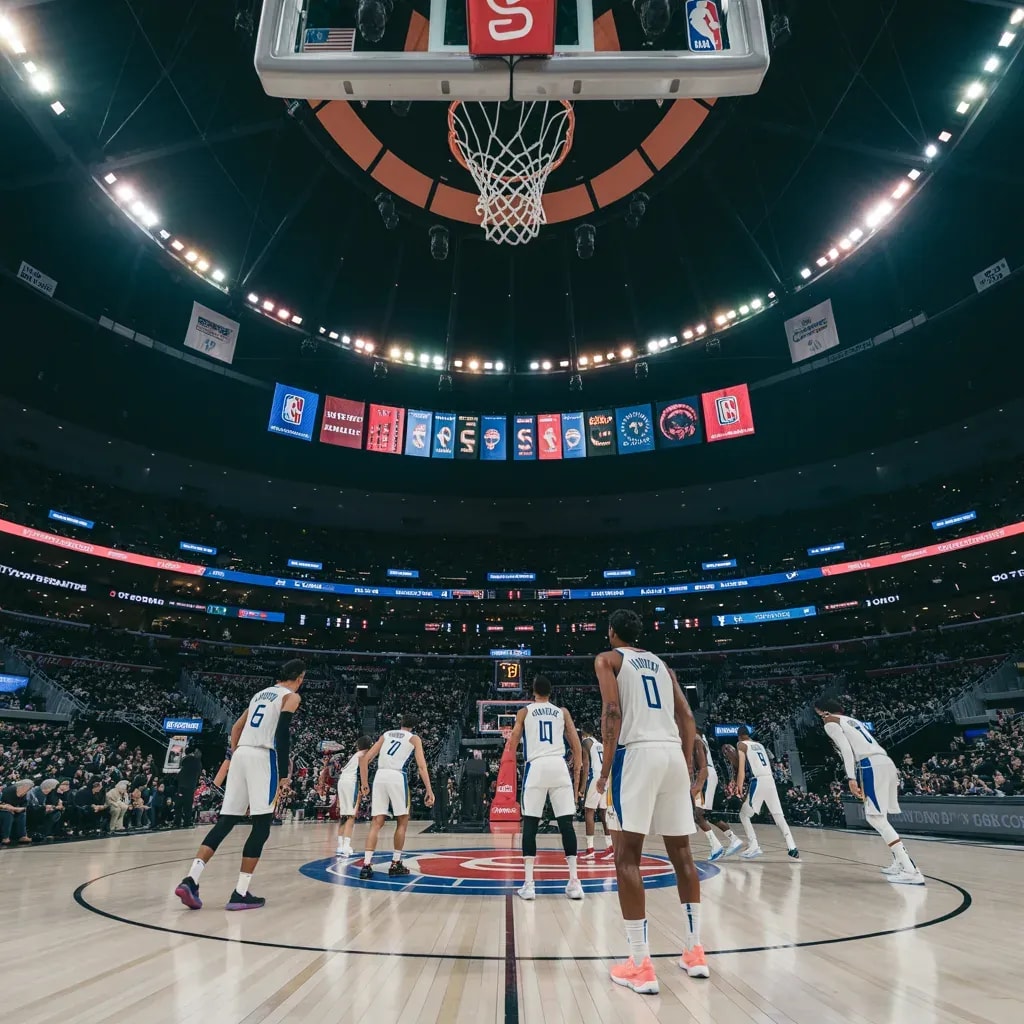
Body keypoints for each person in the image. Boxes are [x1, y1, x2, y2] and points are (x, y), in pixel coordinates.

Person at [595, 609, 707, 996]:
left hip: (637, 754)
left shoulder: (608, 659)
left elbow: (612, 711)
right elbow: (687, 716)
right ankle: (695, 952)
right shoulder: (662, 664)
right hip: (673, 754)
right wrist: (692, 766)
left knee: (627, 856)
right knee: (683, 854)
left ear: (611, 632)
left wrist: (606, 768)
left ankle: (640, 964)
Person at [174, 659, 305, 911]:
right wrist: (283, 773)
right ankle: (240, 892)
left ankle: (191, 879)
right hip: (262, 756)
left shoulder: (259, 695)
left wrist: (236, 755)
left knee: (226, 821)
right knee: (262, 825)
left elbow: (236, 727)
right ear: (299, 678)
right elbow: (282, 732)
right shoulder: (290, 697)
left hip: (241, 753)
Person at [814, 698, 924, 885]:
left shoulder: (829, 722)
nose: (819, 717)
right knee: (880, 816)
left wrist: (850, 777)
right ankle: (899, 862)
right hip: (885, 761)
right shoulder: (851, 720)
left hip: (870, 765)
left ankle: (910, 869)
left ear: (823, 711)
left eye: (818, 714)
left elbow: (847, 751)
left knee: (875, 818)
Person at [504, 675, 585, 901]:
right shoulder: (562, 712)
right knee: (566, 824)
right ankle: (574, 882)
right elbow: (577, 748)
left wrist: (513, 743)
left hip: (537, 766)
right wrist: (577, 778)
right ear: (551, 693)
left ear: (533, 691)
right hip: (559, 766)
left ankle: (529, 885)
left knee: (530, 823)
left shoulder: (525, 712)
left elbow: (512, 743)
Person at [358, 714, 435, 879]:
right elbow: (421, 766)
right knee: (402, 821)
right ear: (414, 726)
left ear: (400, 723)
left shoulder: (386, 735)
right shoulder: (414, 738)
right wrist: (429, 789)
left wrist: (364, 784)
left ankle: (366, 865)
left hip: (380, 776)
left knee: (376, 823)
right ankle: (396, 863)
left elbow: (364, 760)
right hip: (397, 776)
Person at [735, 727, 800, 860]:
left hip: (758, 780)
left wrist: (739, 786)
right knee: (778, 815)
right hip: (770, 780)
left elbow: (741, 768)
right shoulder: (760, 745)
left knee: (744, 815)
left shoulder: (741, 744)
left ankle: (754, 846)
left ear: (740, 736)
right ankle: (792, 847)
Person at [693, 732, 742, 861]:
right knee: (710, 815)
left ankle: (716, 846)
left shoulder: (695, 739)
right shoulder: (698, 738)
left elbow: (697, 763)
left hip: (705, 777)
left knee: (698, 814)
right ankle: (733, 839)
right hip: (707, 776)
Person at [324, 735, 372, 858]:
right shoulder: (363, 755)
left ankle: (340, 846)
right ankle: (346, 846)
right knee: (351, 815)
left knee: (344, 815)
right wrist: (365, 785)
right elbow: (363, 770)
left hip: (342, 782)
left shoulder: (356, 755)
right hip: (351, 783)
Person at [579, 724, 612, 860]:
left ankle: (590, 848)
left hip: (595, 777)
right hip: (606, 776)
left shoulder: (586, 742)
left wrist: (581, 788)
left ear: (583, 733)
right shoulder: (600, 744)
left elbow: (586, 767)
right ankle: (610, 847)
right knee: (604, 812)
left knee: (589, 811)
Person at [174, 747, 202, 828]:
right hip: (191, 787)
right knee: (188, 806)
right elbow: (198, 773)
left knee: (178, 806)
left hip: (181, 786)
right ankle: (187, 822)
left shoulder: (185, 760)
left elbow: (179, 772)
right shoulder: (198, 762)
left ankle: (177, 823)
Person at [0, 779, 33, 846]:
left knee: (22, 813)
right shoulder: (8, 791)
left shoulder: (24, 795)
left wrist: (14, 808)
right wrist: (7, 807)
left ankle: (22, 836)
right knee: (8, 813)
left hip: (11, 809)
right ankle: (5, 837)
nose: (29, 790)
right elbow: (4, 805)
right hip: (4, 810)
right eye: (29, 788)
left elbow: (24, 807)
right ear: (24, 786)